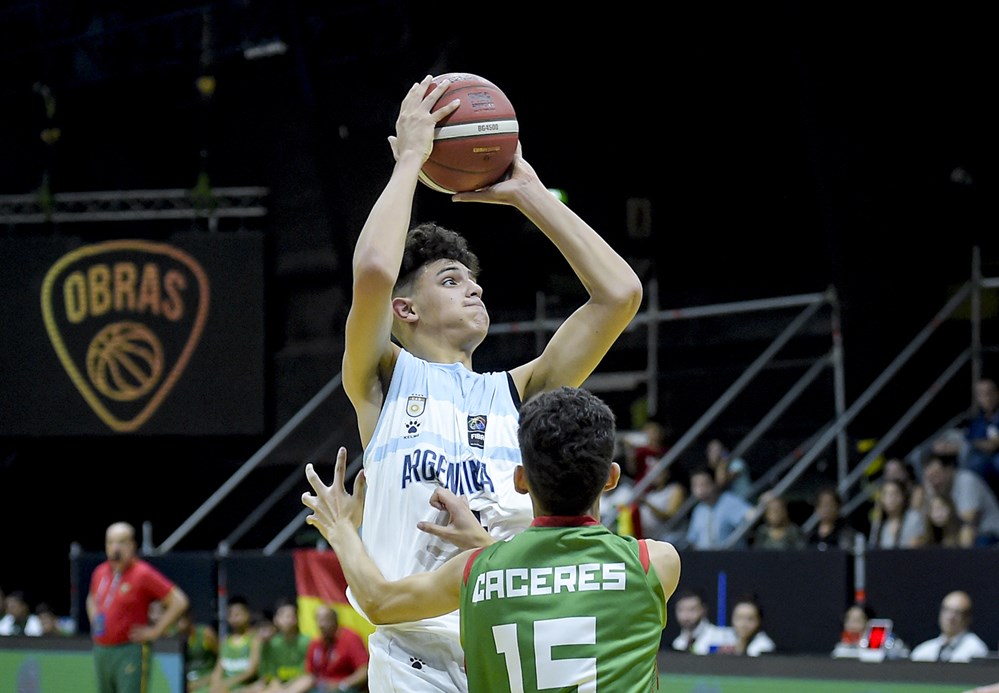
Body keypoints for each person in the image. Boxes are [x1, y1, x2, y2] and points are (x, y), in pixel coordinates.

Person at [339, 74, 643, 691]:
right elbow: (373, 271)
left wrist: (530, 194)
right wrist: (409, 160)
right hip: (414, 654)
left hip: (509, 654)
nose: (474, 288)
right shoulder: (383, 378)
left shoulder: (519, 392)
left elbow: (620, 294)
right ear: (405, 309)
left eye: (473, 280)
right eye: (451, 280)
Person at [302, 386, 682, 692]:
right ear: (612, 478)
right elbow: (564, 589)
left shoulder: (474, 573)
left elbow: (378, 602)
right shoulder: (656, 564)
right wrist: (485, 544)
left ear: (520, 479)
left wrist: (341, 527)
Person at [87, 521, 191, 693]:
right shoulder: (100, 572)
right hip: (101, 649)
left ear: (132, 545)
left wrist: (155, 631)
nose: (115, 548)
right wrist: (94, 619)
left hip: (129, 649)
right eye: (110, 542)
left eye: (121, 542)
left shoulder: (142, 573)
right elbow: (91, 598)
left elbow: (179, 601)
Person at [934, 377, 999, 496]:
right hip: (972, 455)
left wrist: (962, 446)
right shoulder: (978, 420)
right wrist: (946, 446)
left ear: (997, 393)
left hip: (989, 458)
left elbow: (993, 444)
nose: (987, 397)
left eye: (989, 392)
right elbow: (968, 437)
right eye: (981, 394)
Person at [922, 452, 999, 547]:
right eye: (930, 478)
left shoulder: (966, 480)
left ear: (949, 470)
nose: (934, 482)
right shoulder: (939, 489)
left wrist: (960, 553)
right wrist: (933, 496)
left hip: (991, 536)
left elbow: (968, 520)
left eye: (936, 475)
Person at [250, 597, 312, 693]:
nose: (288, 619)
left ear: (297, 619)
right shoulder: (271, 644)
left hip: (299, 684)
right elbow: (268, 675)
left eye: (291, 615)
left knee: (308, 680)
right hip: (278, 685)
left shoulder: (307, 642)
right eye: (284, 615)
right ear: (276, 619)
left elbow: (308, 673)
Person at [685, 464, 754, 549]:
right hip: (703, 556)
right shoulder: (698, 510)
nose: (700, 490)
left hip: (731, 555)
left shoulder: (729, 501)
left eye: (704, 484)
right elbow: (692, 540)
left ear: (714, 483)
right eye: (696, 485)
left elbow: (753, 516)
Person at [304, 603, 369, 692]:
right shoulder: (315, 643)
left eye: (325, 620)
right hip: (321, 686)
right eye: (318, 620)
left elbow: (364, 670)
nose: (321, 625)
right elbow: (309, 674)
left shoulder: (350, 638)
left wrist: (343, 684)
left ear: (335, 621)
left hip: (346, 687)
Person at [910, 590, 989, 663]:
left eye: (957, 612)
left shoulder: (976, 650)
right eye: (946, 610)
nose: (950, 617)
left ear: (967, 618)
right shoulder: (923, 651)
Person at [209, 595, 261, 692]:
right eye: (230, 615)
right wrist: (215, 684)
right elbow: (218, 670)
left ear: (247, 614)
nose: (234, 618)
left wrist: (227, 683)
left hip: (246, 687)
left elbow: (251, 671)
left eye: (237, 614)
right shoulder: (225, 641)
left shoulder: (255, 638)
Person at [867, 478, 928, 549]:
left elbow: (913, 549)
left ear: (903, 496)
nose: (891, 499)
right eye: (886, 494)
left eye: (895, 493)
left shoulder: (914, 517)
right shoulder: (883, 527)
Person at [710, 596, 776, 657]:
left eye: (750, 619)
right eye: (739, 618)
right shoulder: (723, 637)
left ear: (759, 621)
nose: (743, 624)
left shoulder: (764, 645)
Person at [670, 589, 728, 655]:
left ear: (703, 610)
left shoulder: (721, 637)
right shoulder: (677, 643)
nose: (686, 616)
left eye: (692, 610)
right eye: (681, 610)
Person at [805, 485, 860, 551]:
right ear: (817, 508)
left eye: (830, 505)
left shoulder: (847, 533)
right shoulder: (811, 535)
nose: (827, 509)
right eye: (823, 505)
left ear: (838, 507)